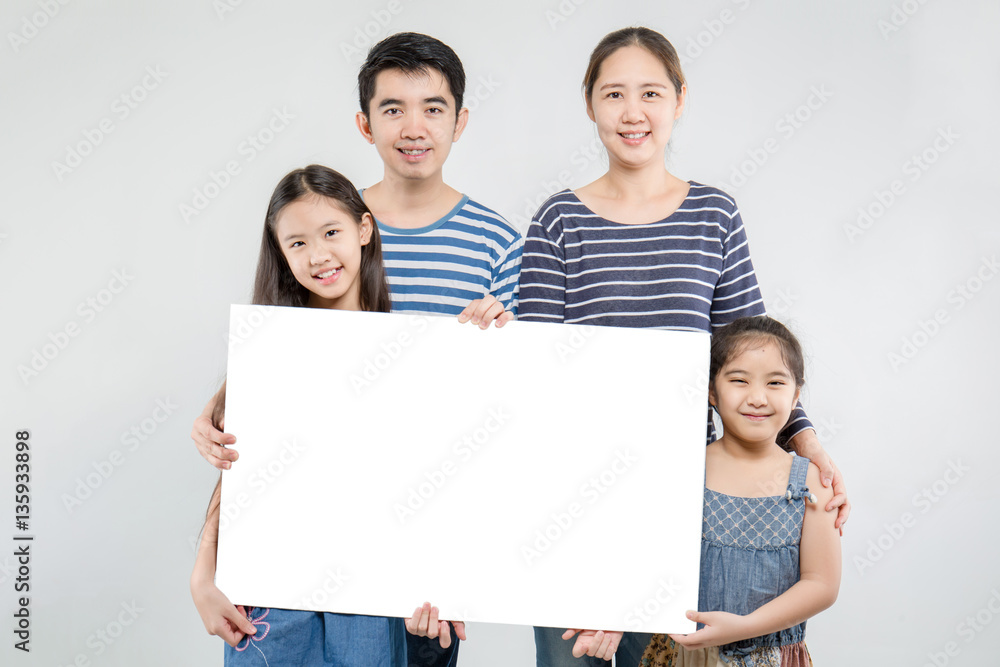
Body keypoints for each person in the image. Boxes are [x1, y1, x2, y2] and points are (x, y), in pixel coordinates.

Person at [516, 27, 850, 665]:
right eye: (614, 93)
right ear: (589, 103)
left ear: (679, 100)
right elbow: (532, 374)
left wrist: (807, 442)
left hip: (680, 497)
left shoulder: (714, 215)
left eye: (651, 93)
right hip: (574, 493)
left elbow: (753, 354)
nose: (632, 112)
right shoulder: (558, 220)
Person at [191, 32, 521, 665]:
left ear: (460, 121)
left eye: (433, 107)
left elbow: (498, 423)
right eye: (393, 108)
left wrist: (459, 570)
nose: (413, 127)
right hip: (291, 562)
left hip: (408, 568)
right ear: (365, 124)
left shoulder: (498, 244)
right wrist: (223, 401)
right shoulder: (328, 216)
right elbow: (267, 402)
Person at [191, 164, 412, 665]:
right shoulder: (268, 346)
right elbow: (238, 467)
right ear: (281, 253)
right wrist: (202, 571)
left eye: (331, 233)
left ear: (364, 229)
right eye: (297, 243)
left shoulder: (403, 349)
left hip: (369, 594)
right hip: (271, 591)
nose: (318, 255)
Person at [617, 315, 841, 665]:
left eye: (775, 383)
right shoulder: (685, 472)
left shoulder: (812, 482)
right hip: (682, 656)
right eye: (739, 380)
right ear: (712, 391)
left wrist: (744, 626)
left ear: (796, 395)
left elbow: (822, 585)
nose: (757, 398)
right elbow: (642, 557)